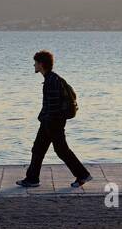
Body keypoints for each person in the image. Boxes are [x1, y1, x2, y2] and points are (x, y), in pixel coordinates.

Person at [17, 50, 92, 189]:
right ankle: (32, 179)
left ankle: (83, 174)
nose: (34, 65)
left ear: (41, 64)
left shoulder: (51, 81)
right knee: (38, 149)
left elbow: (53, 106)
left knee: (61, 150)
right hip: (50, 122)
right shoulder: (52, 78)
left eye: (36, 63)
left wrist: (47, 121)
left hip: (52, 123)